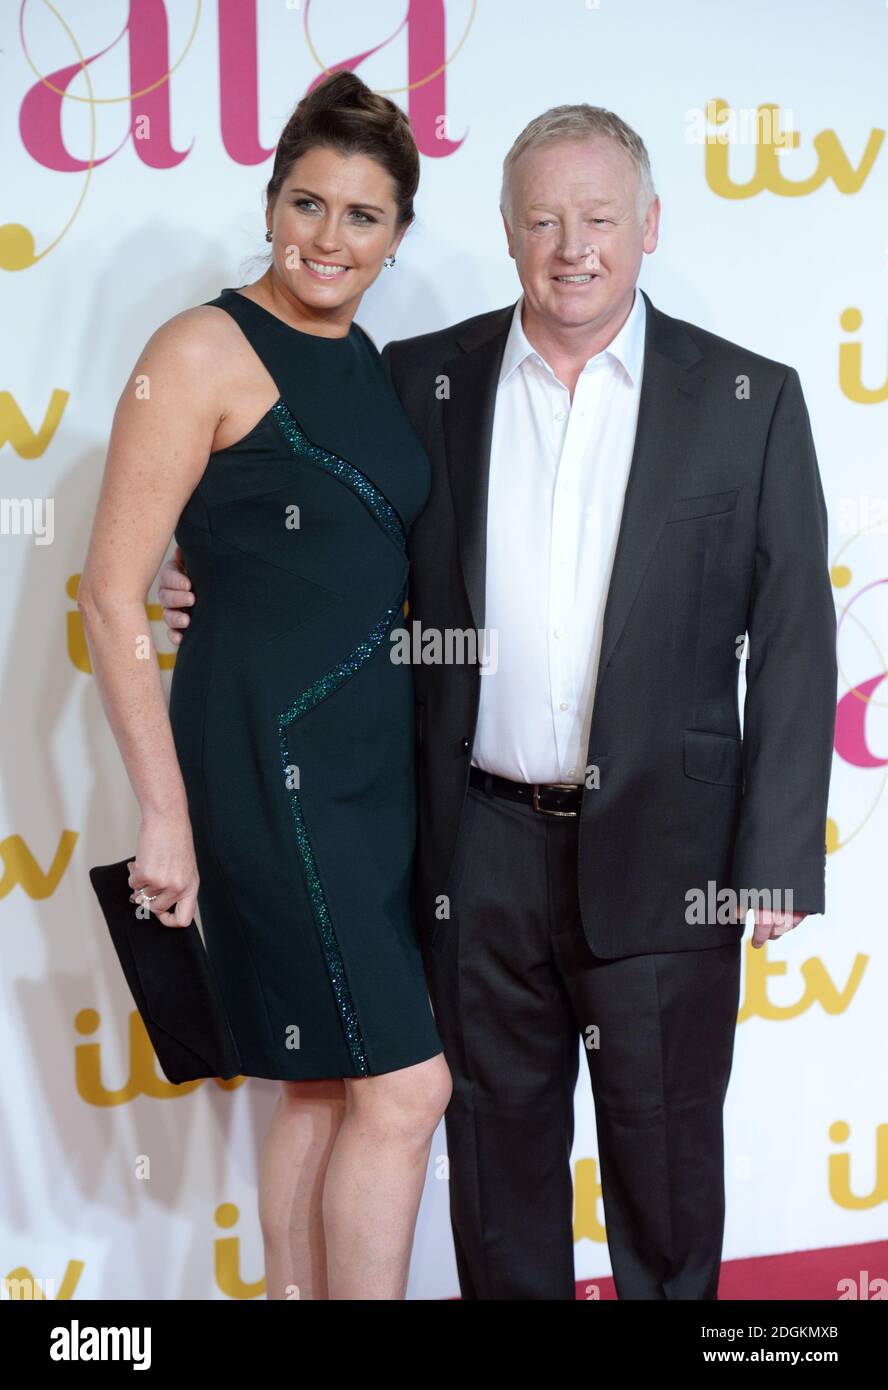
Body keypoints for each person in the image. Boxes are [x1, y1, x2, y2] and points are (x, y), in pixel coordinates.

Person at [161, 104, 837, 1300]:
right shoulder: (422, 379)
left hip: (671, 858)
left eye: (599, 219)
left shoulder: (751, 397)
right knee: (496, 1176)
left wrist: (775, 856)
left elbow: (792, 640)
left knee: (667, 1179)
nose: (573, 246)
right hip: (473, 853)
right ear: (507, 229)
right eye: (543, 219)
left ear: (649, 226)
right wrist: (211, 571)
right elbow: (336, 538)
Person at [78, 71, 451, 1303]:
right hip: (263, 765)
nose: (328, 238)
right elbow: (108, 592)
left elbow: (333, 557)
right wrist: (167, 813)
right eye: (308, 202)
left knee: (325, 1080)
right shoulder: (199, 347)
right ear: (271, 196)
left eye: (362, 216)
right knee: (408, 1084)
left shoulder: (373, 364)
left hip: (372, 772)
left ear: (398, 235)